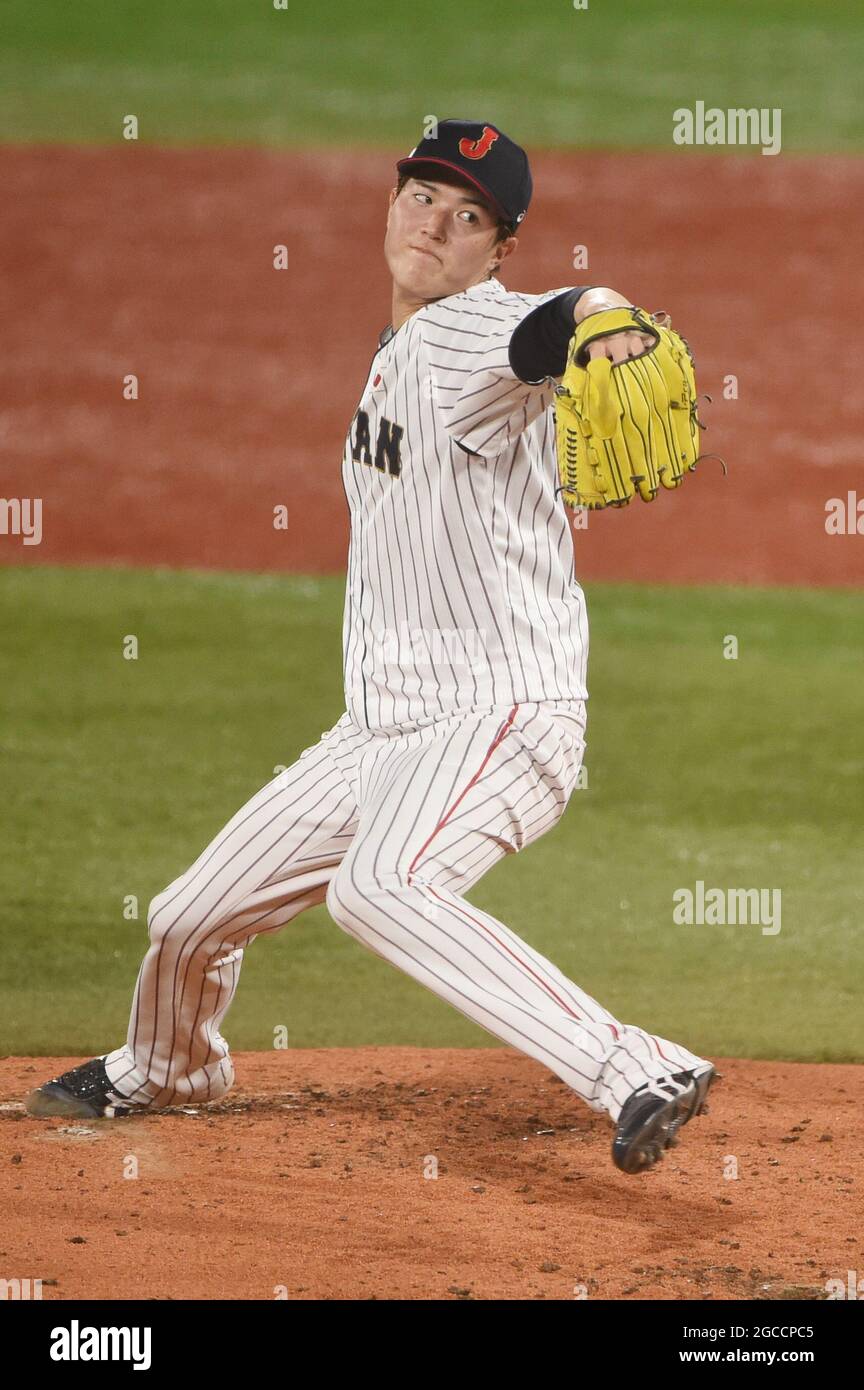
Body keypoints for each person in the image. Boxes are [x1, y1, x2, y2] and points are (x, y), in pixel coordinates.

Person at [26, 120, 714, 1174]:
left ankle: (636, 1066)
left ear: (501, 247)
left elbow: (552, 319)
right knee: (188, 917)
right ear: (391, 203)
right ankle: (168, 1067)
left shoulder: (465, 331)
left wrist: (604, 311)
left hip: (497, 716)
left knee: (380, 888)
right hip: (377, 731)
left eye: (469, 215)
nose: (435, 224)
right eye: (422, 196)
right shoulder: (401, 349)